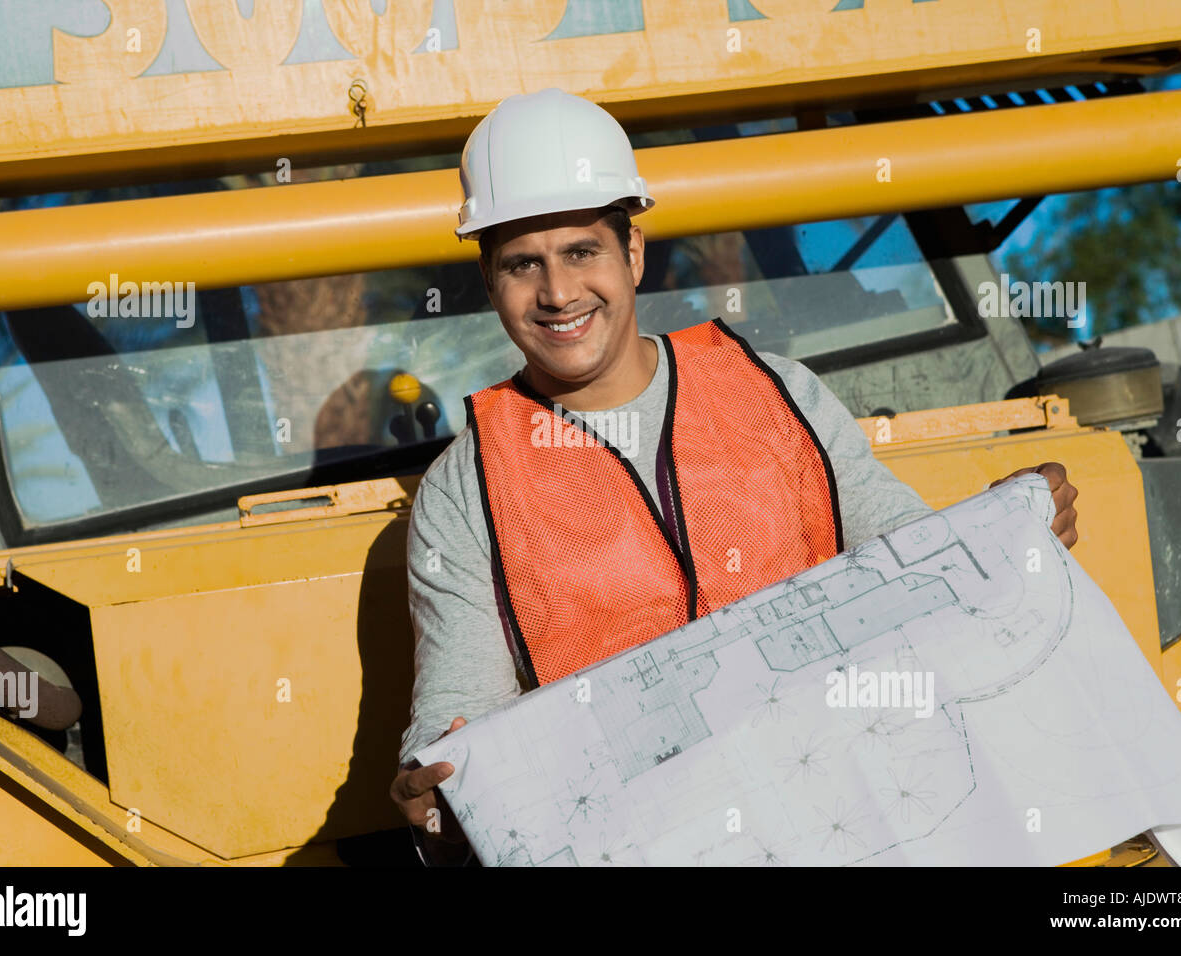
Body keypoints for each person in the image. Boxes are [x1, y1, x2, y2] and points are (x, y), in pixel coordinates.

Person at [388, 87, 1079, 864]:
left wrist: (998, 531)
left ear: (634, 252)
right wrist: (436, 789)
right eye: (523, 264)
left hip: (851, 819)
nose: (557, 293)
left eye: (582, 251)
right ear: (490, 282)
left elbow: (907, 557)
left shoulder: (776, 391)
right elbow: (457, 710)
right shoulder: (466, 487)